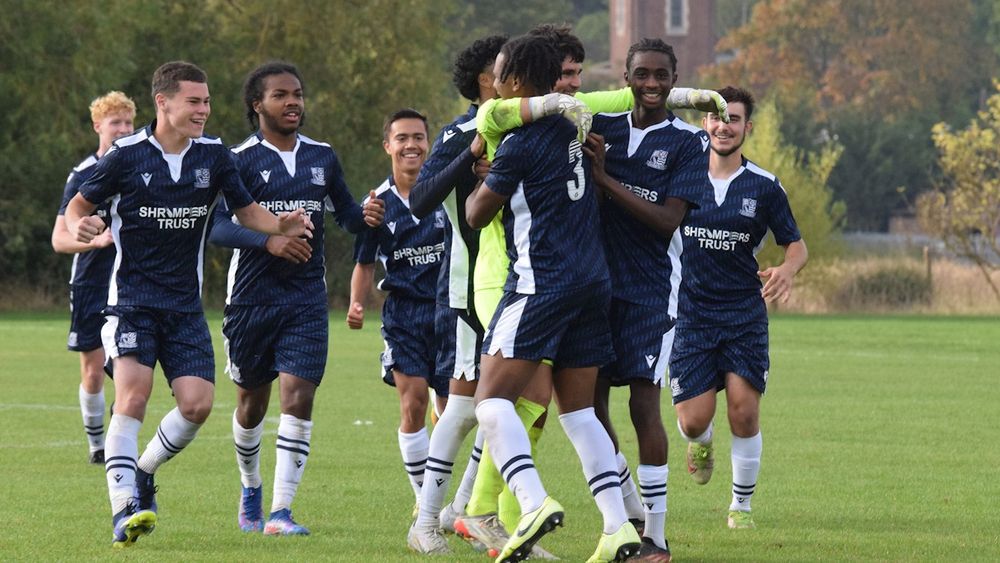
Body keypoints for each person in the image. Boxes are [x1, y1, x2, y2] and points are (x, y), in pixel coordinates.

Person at [63, 61, 313, 548]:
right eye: (194, 102)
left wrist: (280, 224)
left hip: (184, 308)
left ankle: (143, 472)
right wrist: (81, 226)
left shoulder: (214, 156)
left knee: (197, 406)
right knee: (133, 396)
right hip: (131, 303)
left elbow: (246, 212)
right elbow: (77, 206)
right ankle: (123, 510)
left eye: (207, 102)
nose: (204, 110)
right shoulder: (126, 155)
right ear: (163, 102)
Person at [465, 34, 640, 563]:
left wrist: (482, 179)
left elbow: (476, 215)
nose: (495, 83)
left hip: (540, 283)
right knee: (580, 412)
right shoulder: (574, 128)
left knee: (490, 402)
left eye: (500, 74)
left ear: (517, 80)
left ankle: (532, 501)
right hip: (592, 282)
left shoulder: (520, 142)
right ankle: (617, 528)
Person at [208, 61, 384, 536]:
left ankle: (281, 512)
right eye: (281, 95)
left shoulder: (322, 157)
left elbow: (346, 216)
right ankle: (251, 486)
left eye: (298, 94)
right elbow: (218, 228)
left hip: (306, 298)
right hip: (251, 300)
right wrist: (268, 241)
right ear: (257, 105)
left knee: (299, 394)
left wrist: (367, 214)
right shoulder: (237, 160)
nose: (293, 102)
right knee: (251, 403)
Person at [583, 38, 710, 562]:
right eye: (642, 74)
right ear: (627, 77)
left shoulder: (688, 142)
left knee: (642, 406)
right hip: (593, 287)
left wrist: (605, 180)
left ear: (675, 79)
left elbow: (667, 220)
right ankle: (629, 511)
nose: (651, 84)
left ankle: (656, 536)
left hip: (651, 291)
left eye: (661, 75)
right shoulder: (601, 128)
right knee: (588, 407)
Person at [669, 86, 807, 530]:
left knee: (744, 411)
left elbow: (796, 246)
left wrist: (787, 269)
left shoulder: (764, 186)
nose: (723, 126)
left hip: (744, 314)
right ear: (704, 123)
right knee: (693, 421)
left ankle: (740, 507)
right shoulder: (682, 178)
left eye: (733, 119)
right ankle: (702, 440)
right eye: (716, 118)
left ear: (748, 127)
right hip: (690, 314)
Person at [403, 35, 506, 555]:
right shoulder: (461, 133)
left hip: (521, 286)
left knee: (508, 404)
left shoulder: (523, 131)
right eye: (504, 68)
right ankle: (425, 522)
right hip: (468, 289)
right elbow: (420, 199)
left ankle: (464, 508)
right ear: (485, 80)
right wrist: (469, 158)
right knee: (465, 406)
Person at [347, 108, 450, 525]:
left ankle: (445, 499)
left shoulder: (446, 190)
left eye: (419, 137)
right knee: (413, 402)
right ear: (387, 145)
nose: (411, 145)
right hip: (404, 316)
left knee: (453, 410)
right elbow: (364, 263)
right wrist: (356, 303)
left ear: (429, 143)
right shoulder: (376, 206)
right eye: (402, 138)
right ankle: (425, 504)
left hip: (450, 313)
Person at [51, 91, 136, 465]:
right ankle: (96, 446)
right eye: (115, 122)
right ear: (97, 126)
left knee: (127, 369)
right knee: (93, 369)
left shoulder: (139, 167)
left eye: (128, 122)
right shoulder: (83, 175)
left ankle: (119, 443)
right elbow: (59, 240)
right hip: (91, 283)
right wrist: (95, 241)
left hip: (131, 284)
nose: (123, 129)